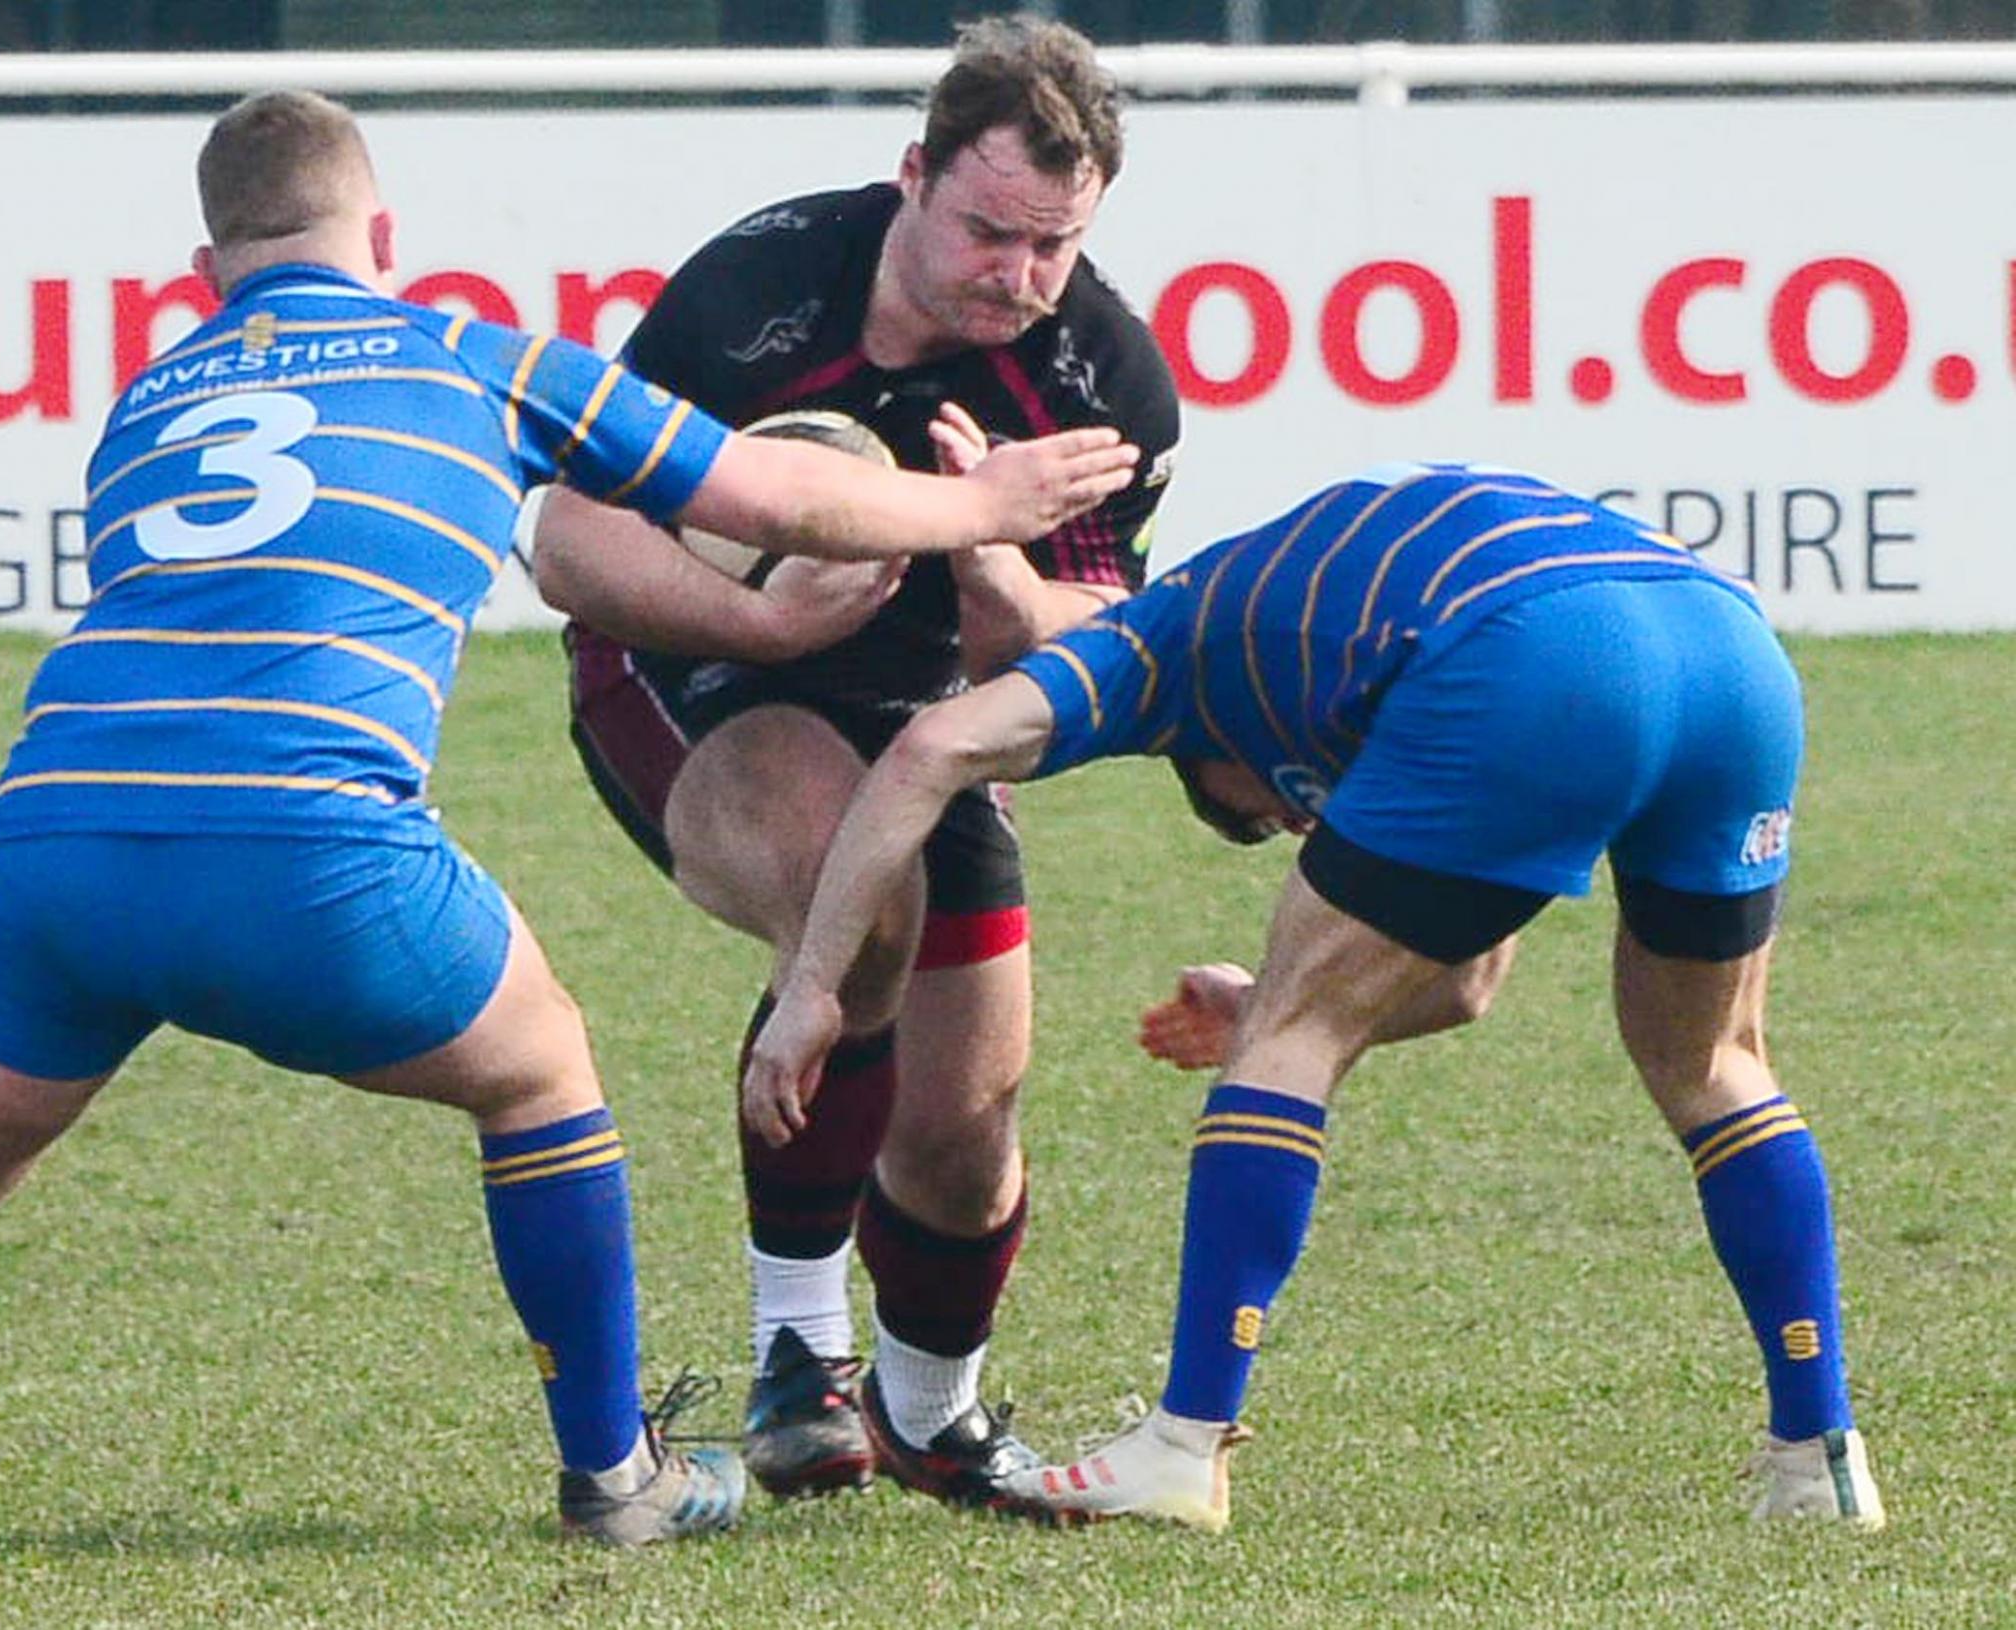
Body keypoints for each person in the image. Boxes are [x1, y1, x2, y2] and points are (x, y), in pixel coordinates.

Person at [0, 89, 1139, 1564]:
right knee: (542, 1071)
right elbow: (778, 495)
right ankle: (619, 1475)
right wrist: (979, 505)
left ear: (206, 275)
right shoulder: (476, 357)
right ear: (381, 233)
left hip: (56, 843)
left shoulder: (154, 398)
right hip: (306, 846)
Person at [744, 462, 1887, 1531]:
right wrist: (1281, 999)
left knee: (1293, 1043)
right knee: (1715, 1063)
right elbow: (1470, 980)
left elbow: (933, 744)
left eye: (1270, 809)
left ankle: (1183, 1444)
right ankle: (1816, 1456)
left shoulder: (1155, 647)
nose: (1301, 821)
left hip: (1540, 643)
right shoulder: (1317, 643)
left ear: (1201, 751)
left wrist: (809, 990)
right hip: (1730, 645)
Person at [529, 14, 1182, 1511]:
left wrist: (1003, 576)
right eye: (989, 232)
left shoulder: (1104, 381)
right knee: (851, 892)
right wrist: (752, 616)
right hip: (692, 666)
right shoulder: (761, 289)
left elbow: (1092, 642)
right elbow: (570, 538)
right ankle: (796, 1361)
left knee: (966, 1124)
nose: (1016, 278)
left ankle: (931, 1414)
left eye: (1054, 247)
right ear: (913, 177)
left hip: (929, 706)